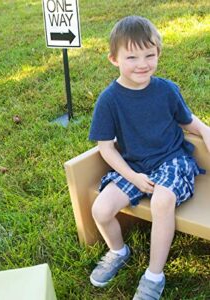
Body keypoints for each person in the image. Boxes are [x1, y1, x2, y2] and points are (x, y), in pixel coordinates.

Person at [89, 15, 210, 299]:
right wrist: (133, 177)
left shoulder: (166, 90)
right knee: (101, 209)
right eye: (131, 57)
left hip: (171, 160)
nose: (142, 64)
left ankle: (154, 275)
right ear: (113, 59)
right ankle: (118, 251)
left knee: (163, 199)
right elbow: (106, 147)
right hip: (134, 165)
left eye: (149, 55)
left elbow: (186, 120)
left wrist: (204, 129)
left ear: (158, 54)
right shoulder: (109, 100)